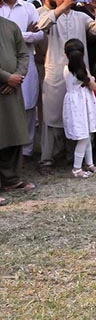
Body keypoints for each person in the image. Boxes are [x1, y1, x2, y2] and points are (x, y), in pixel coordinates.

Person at [37, 0, 96, 174]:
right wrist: (61, 8)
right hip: (55, 73)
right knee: (51, 116)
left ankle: (76, 157)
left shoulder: (81, 16)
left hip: (80, 73)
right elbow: (41, 26)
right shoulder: (46, 14)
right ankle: (47, 159)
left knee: (80, 113)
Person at [0, 0, 43, 160]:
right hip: (3, 70)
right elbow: (31, 35)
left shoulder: (28, 8)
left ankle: (25, 152)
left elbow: (40, 34)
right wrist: (25, 34)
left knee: (27, 107)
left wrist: (20, 35)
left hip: (24, 67)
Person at [0, 16, 35, 203]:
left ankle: (11, 180)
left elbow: (23, 54)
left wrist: (18, 77)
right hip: (6, 83)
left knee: (13, 134)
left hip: (12, 90)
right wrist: (6, 77)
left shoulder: (10, 26)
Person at [62, 39, 96, 178]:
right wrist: (91, 78)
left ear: (66, 54)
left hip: (78, 104)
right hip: (81, 105)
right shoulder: (81, 72)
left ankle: (90, 164)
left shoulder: (67, 68)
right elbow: (94, 86)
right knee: (84, 138)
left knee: (87, 135)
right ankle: (77, 168)